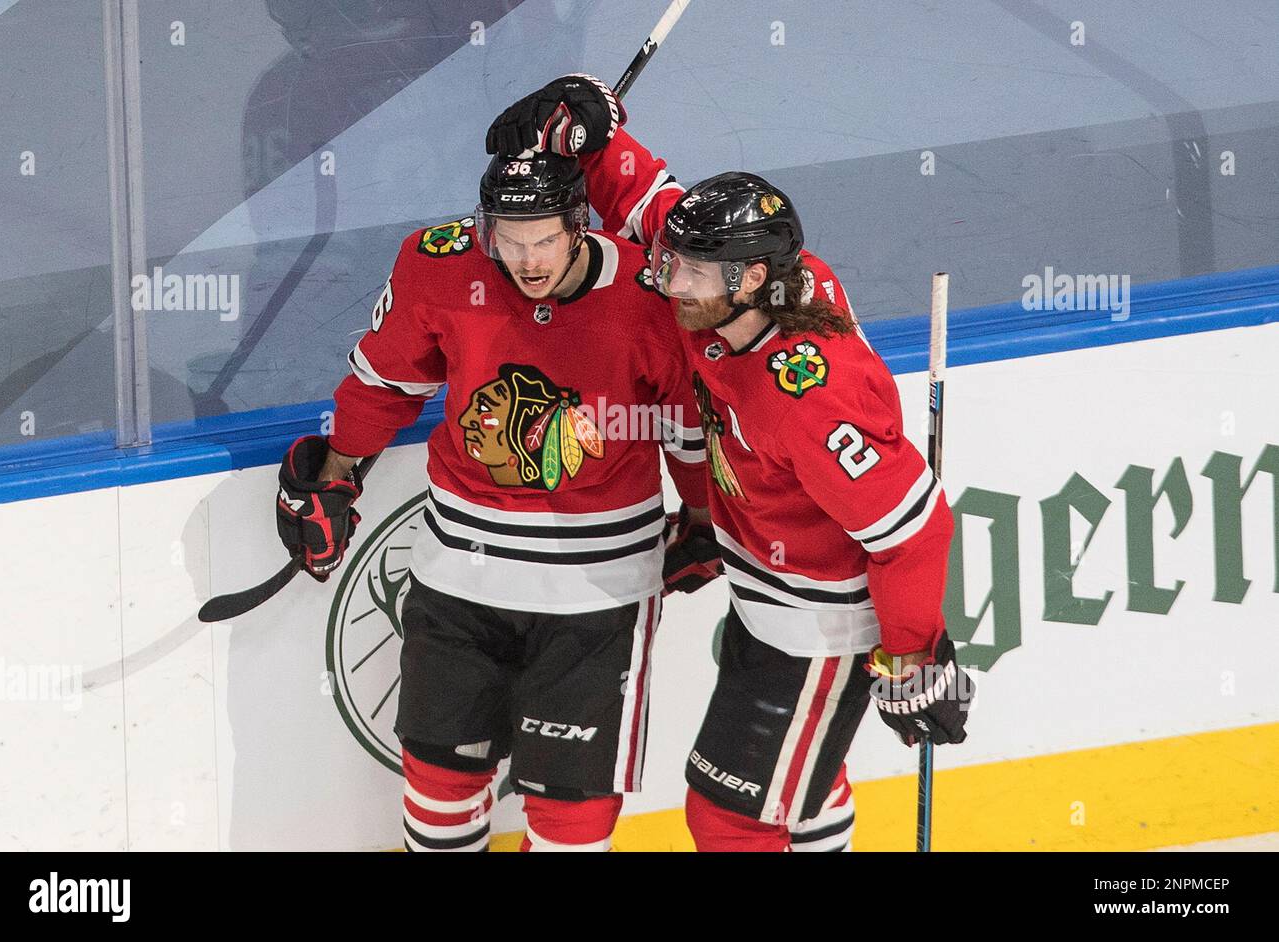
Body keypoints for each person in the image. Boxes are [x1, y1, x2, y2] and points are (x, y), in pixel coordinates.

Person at [487, 75, 974, 852]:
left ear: (750, 281)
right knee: (802, 792)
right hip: (767, 603)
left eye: (685, 271)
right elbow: (650, 201)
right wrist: (587, 134)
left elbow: (911, 529)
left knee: (730, 820)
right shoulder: (734, 288)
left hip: (819, 629)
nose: (662, 277)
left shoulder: (811, 396)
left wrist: (913, 655)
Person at [274, 133, 718, 852]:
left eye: (544, 240)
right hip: (459, 573)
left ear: (583, 225)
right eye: (509, 242)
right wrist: (336, 474)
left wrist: (702, 518)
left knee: (572, 811)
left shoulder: (649, 295)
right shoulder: (439, 266)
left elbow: (688, 430)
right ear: (485, 231)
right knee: (440, 781)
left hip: (596, 595)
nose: (528, 261)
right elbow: (387, 382)